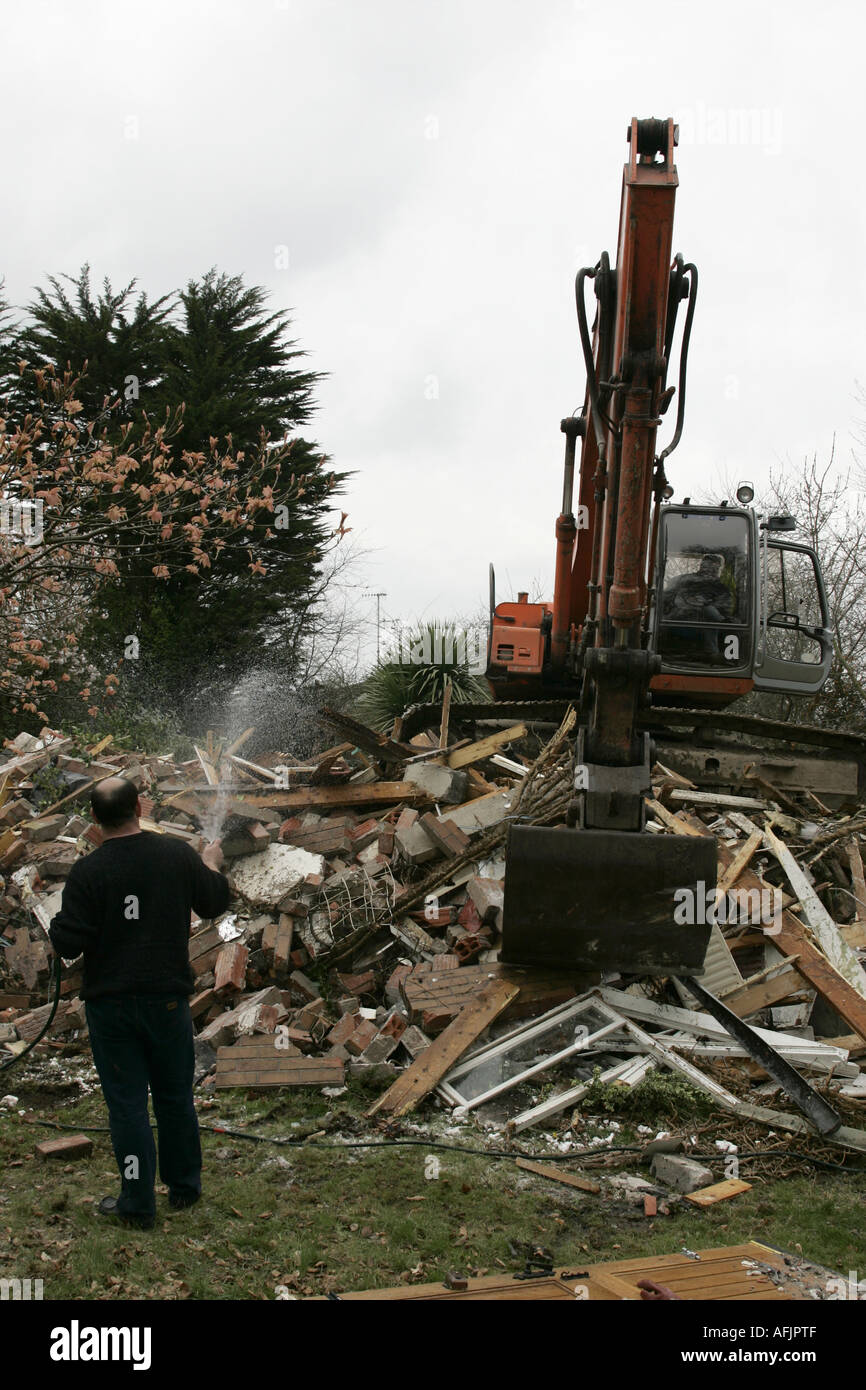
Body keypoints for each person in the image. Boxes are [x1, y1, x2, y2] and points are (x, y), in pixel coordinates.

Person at [48, 776, 229, 1230]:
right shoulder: (176, 855)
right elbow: (212, 904)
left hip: (111, 1008)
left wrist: (65, 920)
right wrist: (211, 865)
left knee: (127, 1105)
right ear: (142, 807)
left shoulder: (88, 872)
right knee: (174, 1097)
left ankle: (136, 1202)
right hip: (166, 1001)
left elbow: (68, 943)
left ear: (93, 818)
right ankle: (184, 1189)